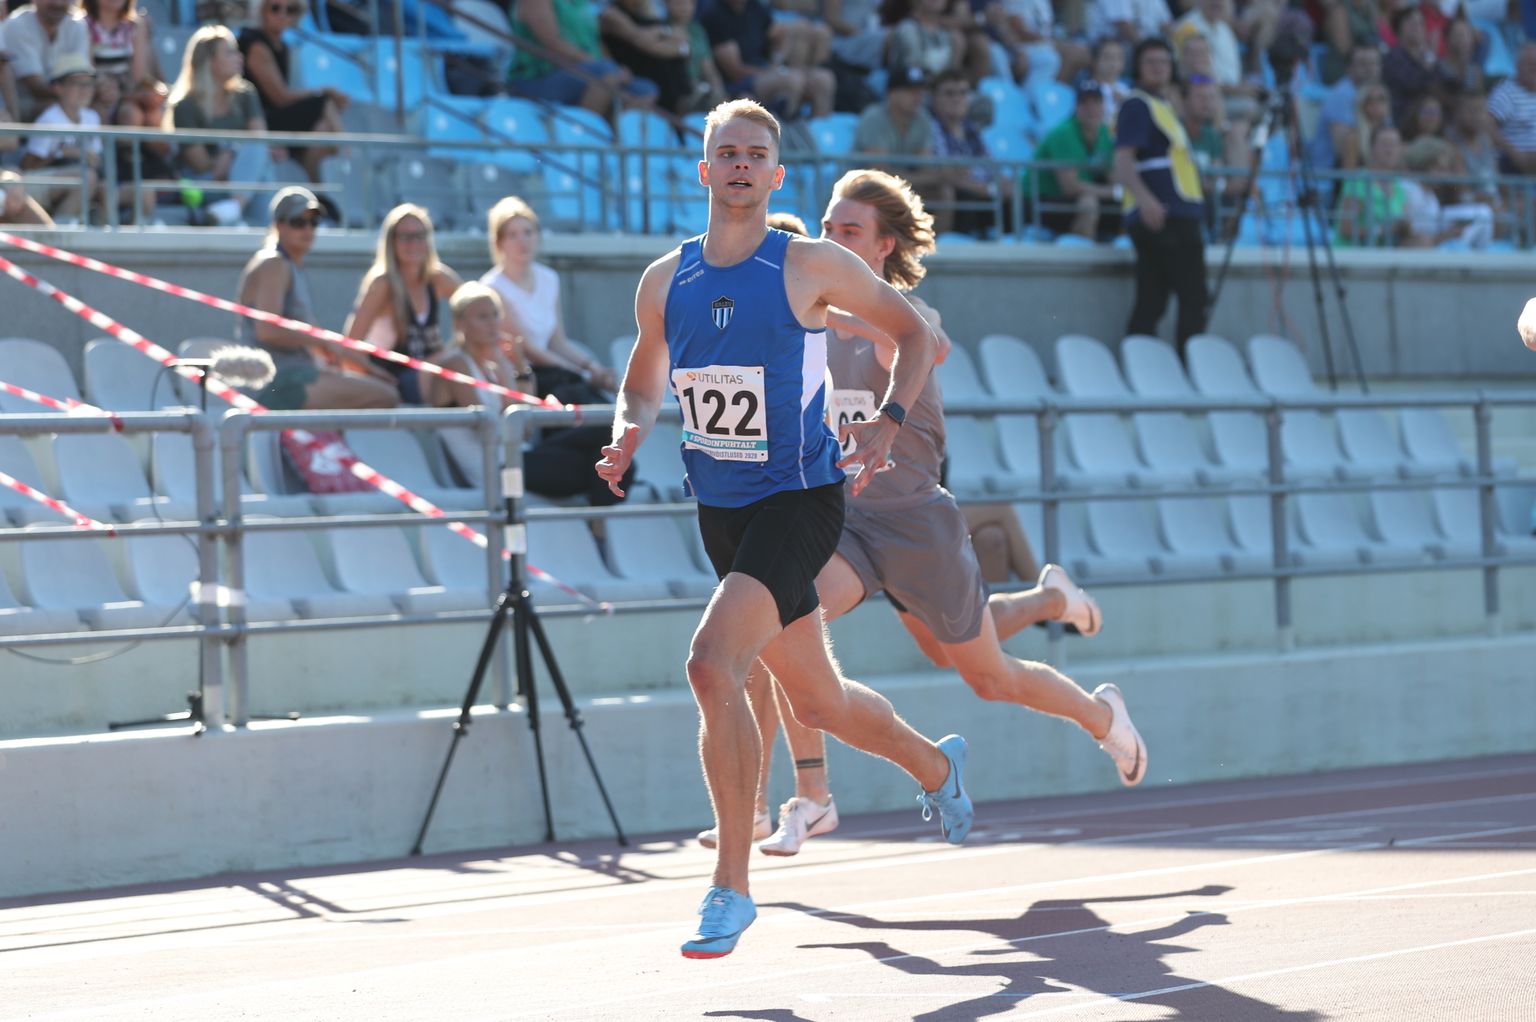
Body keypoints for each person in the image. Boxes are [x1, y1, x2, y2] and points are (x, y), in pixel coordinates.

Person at [596, 98, 971, 959]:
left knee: (710, 661)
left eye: (753, 154)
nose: (738, 165)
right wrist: (629, 430)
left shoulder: (808, 264)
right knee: (819, 700)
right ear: (703, 171)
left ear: (776, 175)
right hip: (718, 509)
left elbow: (913, 332)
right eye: (723, 151)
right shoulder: (666, 279)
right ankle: (936, 767)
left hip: (800, 498)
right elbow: (644, 376)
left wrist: (887, 418)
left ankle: (731, 885)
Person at [695, 168, 1146, 859]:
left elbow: (926, 343)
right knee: (778, 619)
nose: (830, 240)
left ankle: (1097, 707)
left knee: (984, 674)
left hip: (914, 524)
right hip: (839, 520)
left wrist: (827, 307)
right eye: (826, 229)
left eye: (849, 232)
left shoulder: (901, 313)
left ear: (883, 247)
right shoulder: (809, 313)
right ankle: (807, 797)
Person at [428, 282, 637, 504]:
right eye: (482, 317)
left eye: (495, 315)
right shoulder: (455, 364)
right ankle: (599, 528)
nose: (492, 324)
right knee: (606, 439)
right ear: (460, 324)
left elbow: (525, 429)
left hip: (520, 455)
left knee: (615, 460)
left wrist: (519, 369)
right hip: (497, 468)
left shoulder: (496, 365)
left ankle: (598, 527)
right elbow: (491, 431)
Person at [234, 187, 400, 410]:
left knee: (382, 391)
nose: (308, 228)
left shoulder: (289, 265)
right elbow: (267, 330)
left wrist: (369, 369)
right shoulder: (274, 263)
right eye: (298, 222)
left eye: (313, 221)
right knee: (385, 397)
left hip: (290, 378)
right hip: (275, 384)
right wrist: (319, 343)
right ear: (278, 225)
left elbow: (320, 339)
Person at [1114, 37, 1207, 356]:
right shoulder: (1138, 104)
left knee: (1153, 298)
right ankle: (1190, 366)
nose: (1159, 68)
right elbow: (1123, 159)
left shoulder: (1161, 105)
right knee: (1193, 297)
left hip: (1174, 214)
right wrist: (1146, 200)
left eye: (1164, 62)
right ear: (1138, 68)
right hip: (1165, 216)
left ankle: (1140, 362)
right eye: (1150, 62)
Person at [480, 195, 618, 404]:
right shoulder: (492, 286)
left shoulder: (549, 278)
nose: (522, 241)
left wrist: (592, 367)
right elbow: (529, 350)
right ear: (499, 243)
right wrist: (584, 375)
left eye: (528, 232)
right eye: (513, 235)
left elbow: (557, 342)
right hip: (524, 378)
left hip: (557, 373)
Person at [343, 204, 463, 406]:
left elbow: (475, 306)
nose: (413, 244)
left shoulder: (437, 278)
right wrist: (375, 375)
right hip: (395, 379)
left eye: (419, 236)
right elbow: (349, 347)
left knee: (470, 359)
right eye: (405, 237)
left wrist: (459, 342)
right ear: (392, 242)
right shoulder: (383, 284)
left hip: (432, 372)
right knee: (457, 362)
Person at [165, 25, 274, 227]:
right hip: (206, 185)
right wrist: (233, 157)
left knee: (258, 151)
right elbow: (203, 167)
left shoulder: (246, 94)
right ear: (209, 60)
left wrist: (231, 152)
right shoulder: (185, 106)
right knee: (262, 174)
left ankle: (235, 208)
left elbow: (260, 140)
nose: (239, 57)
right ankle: (247, 220)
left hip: (238, 178)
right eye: (230, 52)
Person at [238, 0, 347, 182]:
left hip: (276, 118)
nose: (282, 14)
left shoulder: (283, 47)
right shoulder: (255, 44)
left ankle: (313, 185)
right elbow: (280, 97)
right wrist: (323, 92)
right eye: (275, 8)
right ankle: (349, 155)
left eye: (291, 9)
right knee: (325, 103)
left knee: (324, 130)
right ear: (262, 10)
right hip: (258, 121)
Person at [508, 0, 660, 115]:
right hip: (538, 77)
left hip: (585, 70)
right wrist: (602, 66)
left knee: (645, 89)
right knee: (605, 75)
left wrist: (615, 69)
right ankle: (584, 136)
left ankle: (612, 138)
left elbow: (595, 41)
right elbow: (553, 43)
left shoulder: (583, 2)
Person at [701, 0, 834, 119]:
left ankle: (818, 138)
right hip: (738, 84)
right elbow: (735, 71)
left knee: (824, 79)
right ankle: (784, 136)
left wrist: (777, 61)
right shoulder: (714, 14)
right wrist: (774, 73)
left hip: (766, 71)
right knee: (793, 80)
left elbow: (779, 34)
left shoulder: (754, 7)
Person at [1028, 79, 1120, 240]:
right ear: (1076, 107)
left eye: (1096, 103)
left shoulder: (1105, 132)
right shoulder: (1064, 133)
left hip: (1073, 199)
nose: (1091, 109)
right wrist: (1115, 193)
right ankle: (1085, 254)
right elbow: (1070, 187)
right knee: (1088, 204)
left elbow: (1113, 176)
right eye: (1085, 103)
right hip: (1038, 202)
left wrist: (1123, 192)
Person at [20, 54, 106, 224]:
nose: (85, 90)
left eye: (89, 84)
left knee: (106, 188)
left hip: (80, 178)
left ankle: (108, 240)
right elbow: (28, 165)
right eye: (77, 84)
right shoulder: (49, 119)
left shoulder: (92, 117)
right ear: (58, 87)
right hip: (38, 181)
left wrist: (89, 159)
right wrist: (62, 153)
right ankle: (61, 232)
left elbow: (97, 161)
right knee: (87, 177)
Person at [927, 69, 1008, 237]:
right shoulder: (930, 128)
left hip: (982, 192)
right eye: (949, 94)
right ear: (934, 99)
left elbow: (991, 166)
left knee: (1016, 202)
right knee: (967, 200)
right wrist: (986, 189)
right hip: (961, 197)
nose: (957, 99)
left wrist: (1001, 184)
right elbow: (946, 174)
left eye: (963, 93)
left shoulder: (972, 129)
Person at [854, 65, 944, 195]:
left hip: (904, 188)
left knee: (943, 192)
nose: (918, 96)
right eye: (910, 91)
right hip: (864, 190)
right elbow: (879, 173)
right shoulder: (874, 118)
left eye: (920, 90)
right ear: (891, 93)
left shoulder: (922, 117)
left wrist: (934, 178)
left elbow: (925, 166)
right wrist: (933, 178)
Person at [599, 0, 698, 114]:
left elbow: (682, 37)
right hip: (630, 71)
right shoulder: (611, 14)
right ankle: (682, 105)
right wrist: (678, 45)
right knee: (660, 65)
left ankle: (686, 102)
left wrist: (677, 45)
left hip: (652, 76)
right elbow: (644, 41)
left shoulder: (650, 13)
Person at [1, 0, 90, 120]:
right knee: (59, 112)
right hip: (23, 105)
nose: (58, 4)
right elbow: (36, 86)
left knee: (97, 109)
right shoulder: (16, 25)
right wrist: (78, 94)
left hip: (67, 100)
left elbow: (79, 75)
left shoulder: (78, 26)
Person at [1308, 44, 1381, 173]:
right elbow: (1343, 150)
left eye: (1374, 64)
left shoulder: (1378, 94)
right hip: (1330, 175)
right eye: (1363, 64)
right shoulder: (1341, 95)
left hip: (1365, 171)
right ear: (1350, 69)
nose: (1370, 69)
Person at [1335, 124, 1411, 246]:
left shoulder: (1399, 187)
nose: (1390, 150)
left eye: (1394, 144)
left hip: (1384, 257)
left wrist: (1405, 226)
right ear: (1372, 148)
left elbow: (1404, 223)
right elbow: (1346, 229)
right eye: (1384, 144)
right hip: (1353, 256)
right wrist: (1382, 231)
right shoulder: (1358, 182)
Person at [83, 0, 157, 88]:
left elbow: (139, 77)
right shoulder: (82, 25)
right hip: (94, 94)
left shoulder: (136, 26)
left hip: (127, 93)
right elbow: (86, 73)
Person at [1488, 43, 1536, 174]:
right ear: (1518, 66)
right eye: (1530, 65)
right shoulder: (1505, 93)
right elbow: (1487, 126)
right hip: (1514, 165)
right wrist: (1515, 154)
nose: (1534, 70)